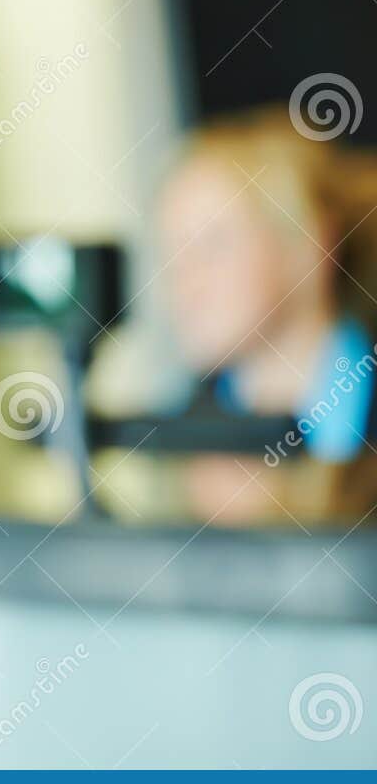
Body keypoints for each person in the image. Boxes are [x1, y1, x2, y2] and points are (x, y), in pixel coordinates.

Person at [156, 107, 377, 524]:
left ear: (308, 246)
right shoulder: (183, 433)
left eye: (214, 246)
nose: (184, 284)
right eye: (173, 255)